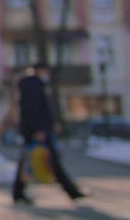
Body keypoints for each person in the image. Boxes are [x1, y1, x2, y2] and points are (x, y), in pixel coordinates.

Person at [12, 62, 86, 204]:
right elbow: (32, 109)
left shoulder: (34, 85)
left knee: (28, 161)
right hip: (37, 131)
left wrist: (51, 125)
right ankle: (71, 191)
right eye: (45, 71)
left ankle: (18, 192)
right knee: (50, 160)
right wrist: (38, 129)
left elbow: (40, 109)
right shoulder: (32, 86)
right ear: (39, 71)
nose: (47, 74)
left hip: (39, 130)